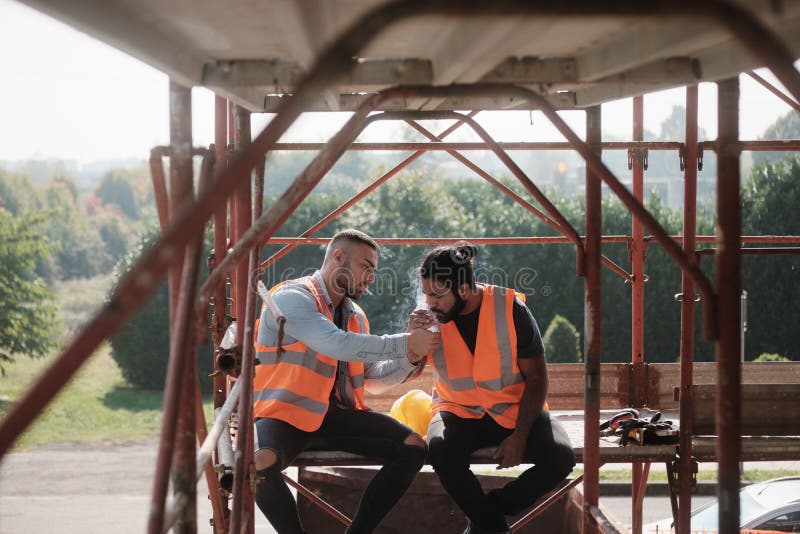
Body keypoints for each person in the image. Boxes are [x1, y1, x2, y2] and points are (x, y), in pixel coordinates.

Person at [253, 229, 440, 534]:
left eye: (374, 270)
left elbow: (372, 380)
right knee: (257, 462)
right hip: (284, 414)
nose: (371, 277)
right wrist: (405, 342)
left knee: (413, 448)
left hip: (336, 417)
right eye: (366, 267)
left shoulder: (356, 315)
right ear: (338, 257)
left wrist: (413, 355)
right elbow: (337, 343)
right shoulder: (290, 297)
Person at [410, 243, 575, 534]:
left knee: (561, 458)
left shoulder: (511, 309)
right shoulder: (427, 316)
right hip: (456, 410)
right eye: (425, 293)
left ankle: (489, 514)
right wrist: (412, 341)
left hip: (512, 409)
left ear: (463, 289)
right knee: (440, 451)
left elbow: (537, 379)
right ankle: (493, 526)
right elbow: (410, 369)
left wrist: (520, 437)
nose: (429, 302)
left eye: (436, 294)